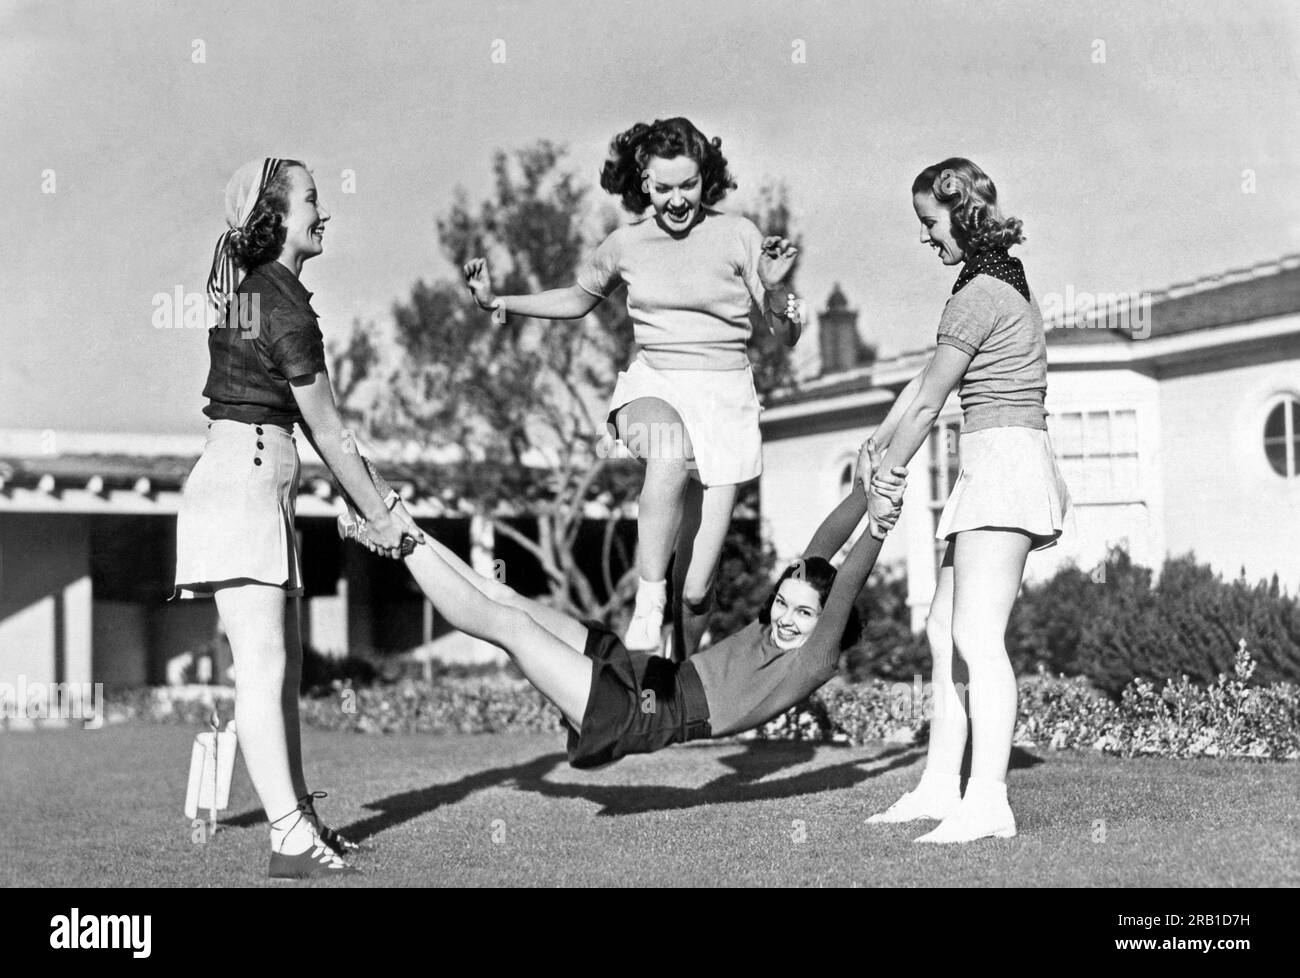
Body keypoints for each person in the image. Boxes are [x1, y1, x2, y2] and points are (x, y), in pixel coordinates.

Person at [463, 117, 804, 660]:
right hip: (655, 385)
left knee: (695, 592)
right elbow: (576, 300)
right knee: (667, 452)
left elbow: (785, 336)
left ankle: (687, 671)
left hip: (726, 399)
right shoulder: (625, 244)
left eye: (687, 186)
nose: (675, 200)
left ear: (704, 178)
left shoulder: (739, 235)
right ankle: (647, 609)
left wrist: (778, 287)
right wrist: (498, 302)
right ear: (643, 181)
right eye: (663, 187)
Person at [337, 445, 907, 768]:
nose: (785, 616)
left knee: (507, 627)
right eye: (784, 602)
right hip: (643, 671)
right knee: (508, 597)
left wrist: (878, 527)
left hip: (642, 713)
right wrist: (860, 491)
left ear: (826, 625)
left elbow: (846, 581)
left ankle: (397, 538)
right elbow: (819, 554)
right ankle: (398, 518)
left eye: (803, 614)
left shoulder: (813, 660)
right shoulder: (783, 625)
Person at [174, 157, 422, 879]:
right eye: (313, 199)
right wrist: (383, 514)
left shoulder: (266, 291)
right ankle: (287, 836)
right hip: (244, 482)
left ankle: (298, 821)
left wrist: (367, 503)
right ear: (276, 217)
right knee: (263, 666)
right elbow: (330, 432)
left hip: (253, 480)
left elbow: (317, 436)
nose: (325, 211)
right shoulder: (279, 303)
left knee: (277, 672)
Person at [861, 158, 1071, 844]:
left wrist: (887, 479)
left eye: (930, 222)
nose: (927, 236)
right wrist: (878, 442)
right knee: (940, 625)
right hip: (992, 462)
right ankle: (937, 787)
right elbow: (923, 385)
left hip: (1005, 461)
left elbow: (929, 402)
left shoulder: (981, 291)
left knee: (977, 635)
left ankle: (988, 802)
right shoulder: (986, 282)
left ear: (960, 213)